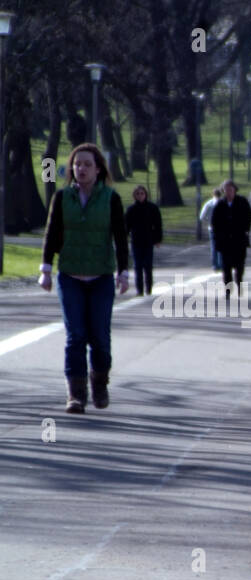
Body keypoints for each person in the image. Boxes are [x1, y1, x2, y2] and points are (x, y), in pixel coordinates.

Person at [37, 143, 130, 413]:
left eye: (87, 164)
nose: (81, 169)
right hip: (70, 275)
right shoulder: (62, 197)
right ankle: (76, 394)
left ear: (98, 169)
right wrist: (45, 269)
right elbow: (52, 232)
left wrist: (123, 272)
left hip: (100, 276)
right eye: (77, 164)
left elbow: (120, 237)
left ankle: (99, 383)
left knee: (99, 337)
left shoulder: (110, 198)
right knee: (75, 336)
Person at [210, 179, 251, 300]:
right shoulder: (220, 204)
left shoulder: (242, 202)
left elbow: (248, 217)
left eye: (230, 189)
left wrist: (245, 230)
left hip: (239, 240)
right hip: (225, 242)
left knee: (239, 266)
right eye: (226, 190)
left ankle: (239, 285)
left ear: (234, 190)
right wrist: (218, 235)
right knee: (226, 267)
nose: (228, 192)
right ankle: (228, 290)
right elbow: (214, 222)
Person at [124, 185, 163, 296]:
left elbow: (158, 225)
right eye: (138, 194)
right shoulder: (131, 209)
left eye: (142, 193)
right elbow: (126, 226)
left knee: (148, 265)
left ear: (145, 195)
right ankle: (139, 289)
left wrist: (158, 239)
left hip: (148, 240)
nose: (140, 196)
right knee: (138, 266)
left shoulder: (152, 208)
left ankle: (148, 288)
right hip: (136, 240)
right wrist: (124, 239)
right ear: (134, 196)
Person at [199, 186, 222, 270]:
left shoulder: (209, 204)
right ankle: (221, 264)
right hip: (222, 228)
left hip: (212, 227)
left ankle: (215, 265)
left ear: (213, 195)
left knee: (214, 246)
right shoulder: (223, 203)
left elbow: (202, 217)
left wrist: (208, 221)